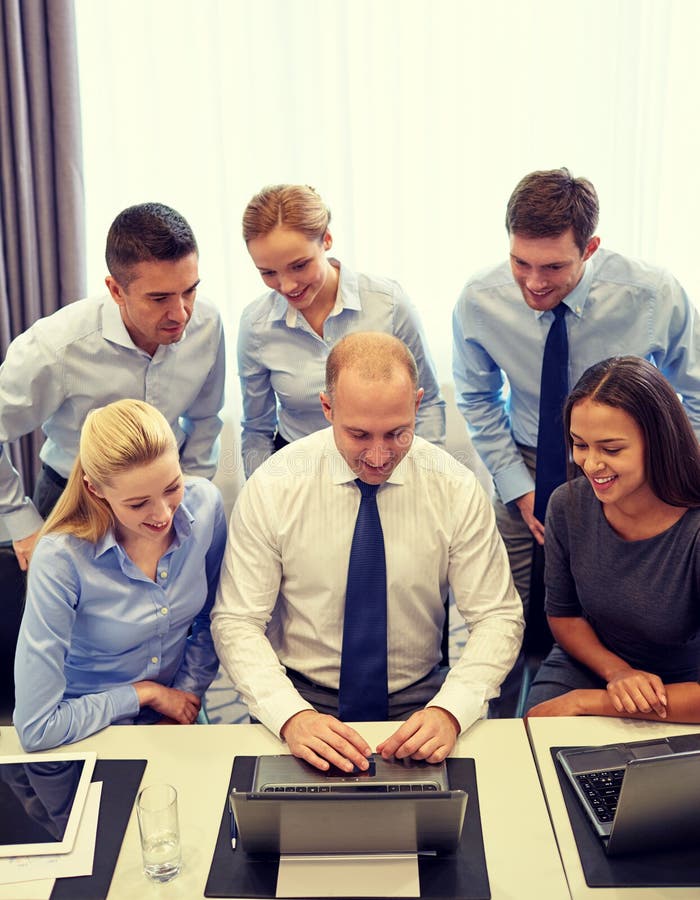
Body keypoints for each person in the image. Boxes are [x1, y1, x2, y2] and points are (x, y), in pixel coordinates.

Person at [212, 332, 523, 773]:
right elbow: (237, 620)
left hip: (421, 698)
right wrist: (290, 715)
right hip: (299, 695)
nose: (378, 457)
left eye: (397, 434)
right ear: (327, 408)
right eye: (358, 434)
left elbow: (497, 616)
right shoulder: (274, 486)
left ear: (417, 405)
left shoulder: (454, 487)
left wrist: (451, 709)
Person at [452, 168, 700, 618]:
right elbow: (476, 398)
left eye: (553, 266)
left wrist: (670, 473)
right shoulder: (479, 300)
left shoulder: (652, 295)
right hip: (528, 462)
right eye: (520, 262)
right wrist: (518, 488)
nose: (534, 281)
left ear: (590, 248)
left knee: (615, 610)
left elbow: (697, 394)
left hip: (633, 465)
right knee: (500, 613)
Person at [0, 202, 225, 570]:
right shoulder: (54, 346)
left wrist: (187, 498)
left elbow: (205, 418)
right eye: (159, 298)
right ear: (116, 290)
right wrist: (21, 523)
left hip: (165, 500)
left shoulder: (208, 323)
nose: (181, 313)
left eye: (189, 291)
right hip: (76, 503)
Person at [13, 399, 227, 752]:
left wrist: (184, 694)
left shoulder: (206, 505)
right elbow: (37, 728)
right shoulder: (61, 557)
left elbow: (212, 618)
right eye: (138, 503)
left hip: (175, 710)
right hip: (85, 728)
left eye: (172, 487)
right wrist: (143, 695)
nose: (162, 515)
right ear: (95, 489)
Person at [523, 357, 700, 722]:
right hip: (591, 661)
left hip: (686, 683)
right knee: (532, 734)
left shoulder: (693, 528)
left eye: (611, 449)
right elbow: (564, 616)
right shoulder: (567, 505)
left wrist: (590, 702)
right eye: (580, 444)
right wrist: (617, 673)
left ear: (659, 442)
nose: (590, 464)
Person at [238, 184, 445, 477]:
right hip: (300, 472)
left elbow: (429, 404)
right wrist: (261, 494)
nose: (287, 286)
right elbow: (257, 429)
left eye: (299, 265)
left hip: (387, 464)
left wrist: (424, 478)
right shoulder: (256, 325)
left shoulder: (388, 304)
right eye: (268, 273)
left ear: (327, 240)